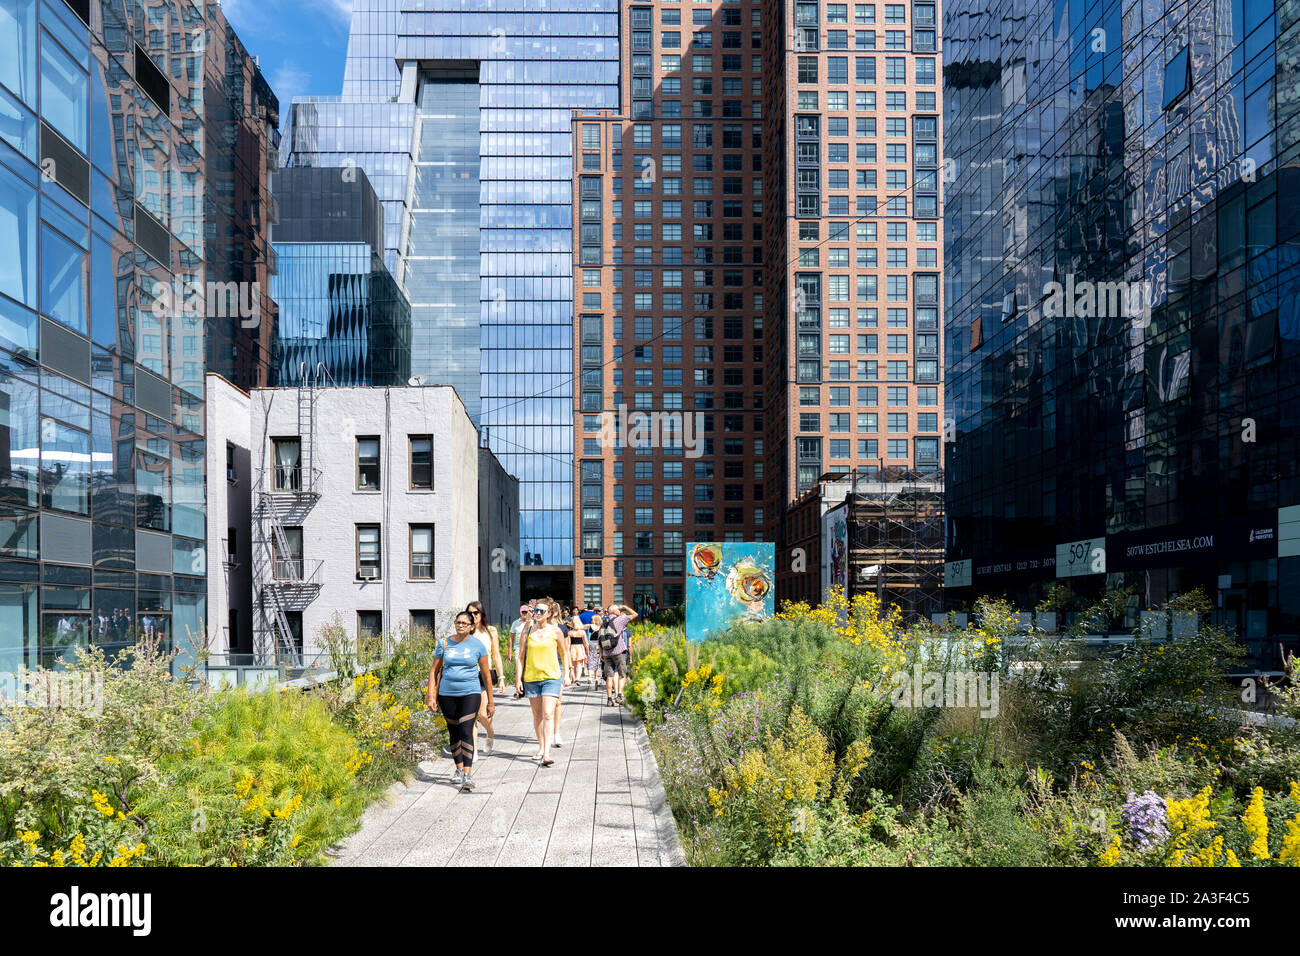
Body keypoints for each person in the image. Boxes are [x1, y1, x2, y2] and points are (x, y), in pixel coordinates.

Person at [427, 612, 495, 791]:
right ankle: (458, 769)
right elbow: (434, 671)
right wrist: (431, 695)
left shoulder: (477, 645)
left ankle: (467, 774)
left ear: (472, 626)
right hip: (446, 694)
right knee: (454, 731)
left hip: (470, 692)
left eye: (465, 623)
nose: (460, 626)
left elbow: (486, 676)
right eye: (458, 623)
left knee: (466, 730)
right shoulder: (444, 643)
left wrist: (490, 702)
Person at [515, 598, 570, 765]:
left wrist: (567, 674)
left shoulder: (556, 631)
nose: (537, 614)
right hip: (531, 678)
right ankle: (540, 746)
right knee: (537, 715)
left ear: (549, 614)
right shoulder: (527, 630)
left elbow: (564, 653)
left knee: (547, 714)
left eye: (541, 611)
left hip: (551, 677)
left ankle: (547, 752)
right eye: (536, 611)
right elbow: (521, 656)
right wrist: (518, 678)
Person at [466, 601, 503, 758]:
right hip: (468, 675)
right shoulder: (465, 631)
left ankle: (490, 732)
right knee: (470, 715)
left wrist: (501, 677)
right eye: (470, 613)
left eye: (476, 613)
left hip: (485, 674)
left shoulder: (490, 631)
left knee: (482, 714)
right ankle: (473, 751)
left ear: (482, 614)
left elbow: (496, 654)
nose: (473, 616)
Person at [596, 604, 637, 706]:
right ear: (615, 612)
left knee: (609, 676)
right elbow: (635, 614)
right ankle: (619, 696)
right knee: (622, 674)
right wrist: (625, 607)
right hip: (618, 652)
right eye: (618, 609)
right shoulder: (619, 620)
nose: (619, 611)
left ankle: (609, 700)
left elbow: (599, 639)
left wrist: (601, 653)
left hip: (606, 653)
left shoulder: (603, 622)